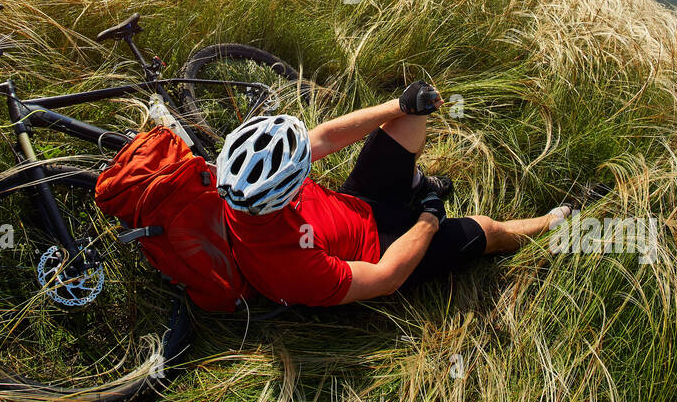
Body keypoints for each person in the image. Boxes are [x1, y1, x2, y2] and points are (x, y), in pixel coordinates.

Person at [217, 80, 571, 307]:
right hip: (381, 250)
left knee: (411, 119)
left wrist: (401, 106)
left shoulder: (246, 185)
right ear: (284, 194)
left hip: (358, 203)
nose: (308, 153)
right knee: (488, 231)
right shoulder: (293, 271)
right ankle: (553, 224)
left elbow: (325, 138)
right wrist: (429, 220)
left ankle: (415, 186)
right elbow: (387, 278)